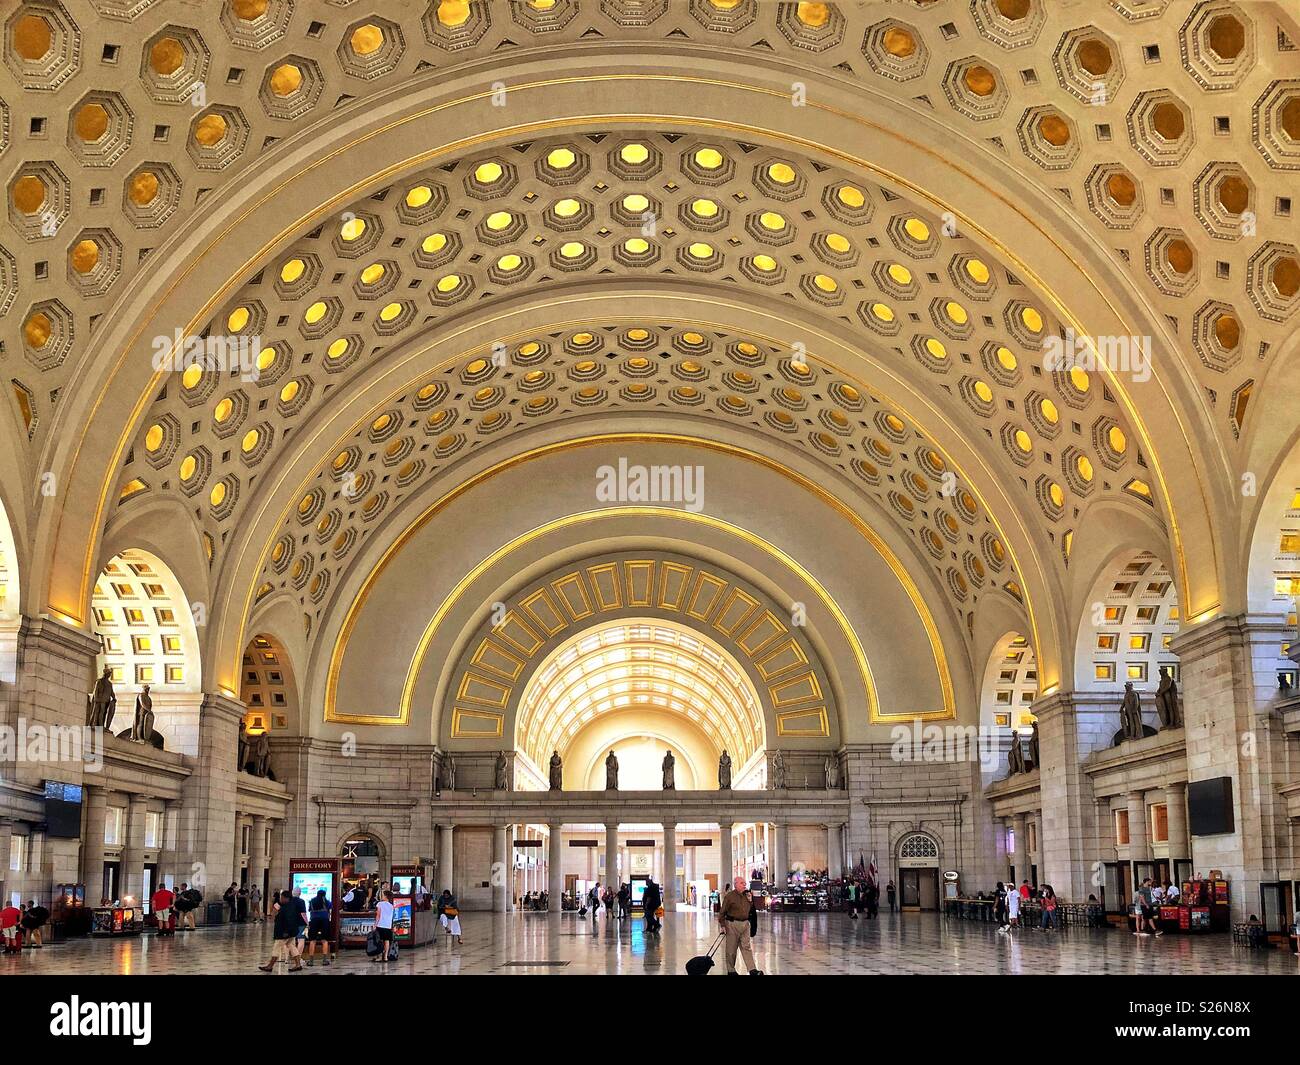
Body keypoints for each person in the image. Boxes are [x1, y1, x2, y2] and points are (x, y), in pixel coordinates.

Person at [718, 877, 763, 975]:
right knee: (731, 949)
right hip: (732, 924)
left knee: (746, 947)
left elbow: (750, 909)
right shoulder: (730, 896)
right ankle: (731, 970)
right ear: (736, 884)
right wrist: (722, 925)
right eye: (742, 883)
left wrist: (750, 901)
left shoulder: (747, 895)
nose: (744, 885)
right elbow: (722, 912)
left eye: (745, 883)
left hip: (745, 924)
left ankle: (752, 970)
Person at [258, 890, 304, 973]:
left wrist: (286, 931)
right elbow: (274, 914)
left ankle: (270, 966)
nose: (281, 899)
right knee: (291, 946)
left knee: (276, 947)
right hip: (291, 931)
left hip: (284, 932)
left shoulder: (287, 908)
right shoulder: (290, 905)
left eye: (282, 898)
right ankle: (298, 964)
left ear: (286, 898)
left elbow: (288, 920)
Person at [303, 889, 333, 966]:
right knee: (324, 940)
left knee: (312, 940)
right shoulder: (327, 902)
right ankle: (324, 960)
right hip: (325, 921)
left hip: (314, 921)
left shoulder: (312, 901)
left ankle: (311, 961)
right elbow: (330, 909)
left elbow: (309, 910)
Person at [374, 890, 395, 964]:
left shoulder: (379, 904)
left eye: (382, 895)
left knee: (379, 941)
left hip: (380, 924)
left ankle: (379, 956)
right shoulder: (391, 905)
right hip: (388, 925)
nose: (381, 896)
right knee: (387, 941)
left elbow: (378, 915)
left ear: (385, 896)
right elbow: (392, 917)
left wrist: (375, 925)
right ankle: (385, 956)